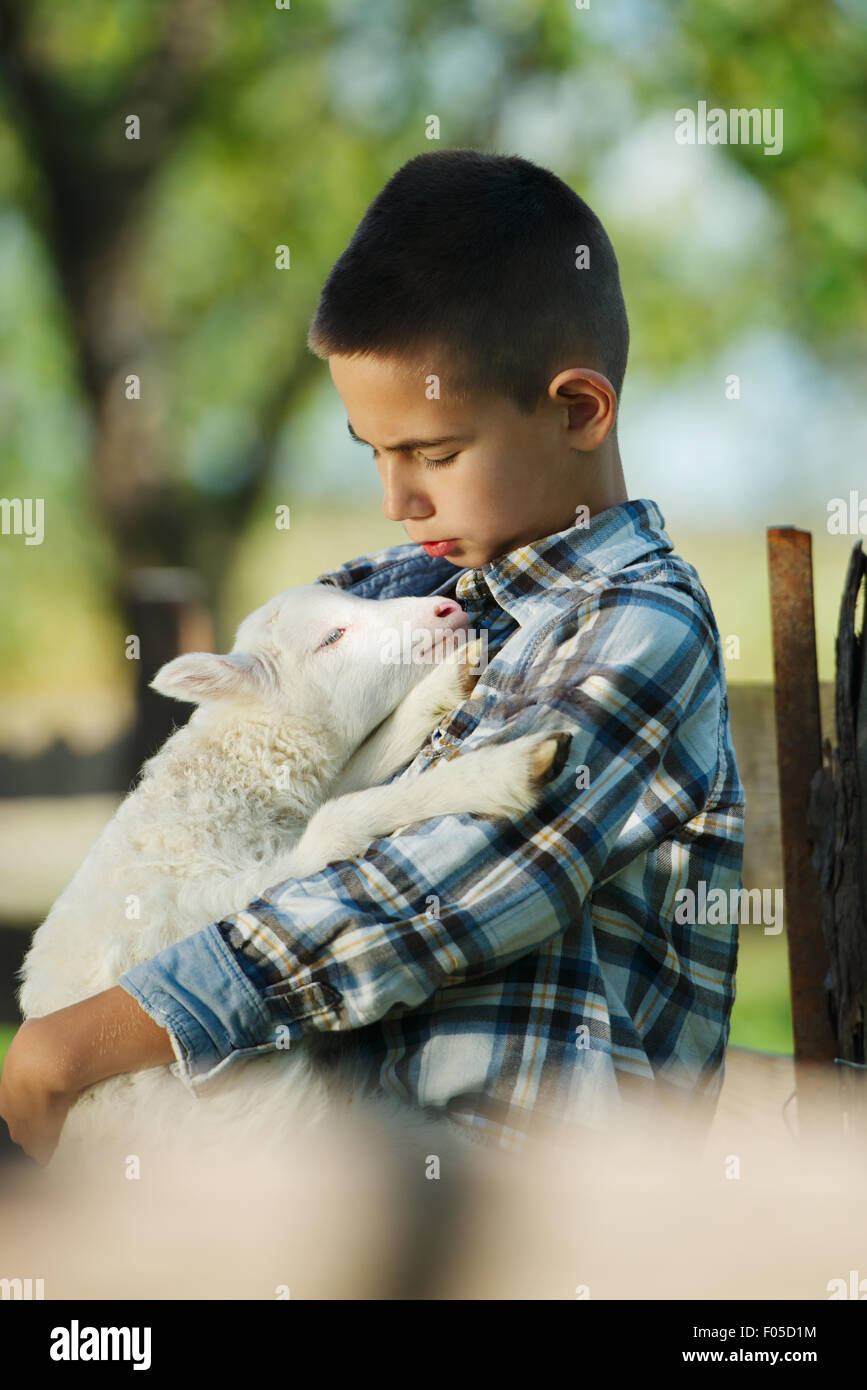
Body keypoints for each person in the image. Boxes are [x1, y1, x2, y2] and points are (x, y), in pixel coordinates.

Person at [0, 149, 744, 1163]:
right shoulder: (407, 582)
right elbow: (267, 726)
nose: (400, 500)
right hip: (340, 1189)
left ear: (577, 410)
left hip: (540, 1212)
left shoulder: (641, 626)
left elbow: (426, 899)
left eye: (434, 455)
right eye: (373, 452)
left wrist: (78, 1042)